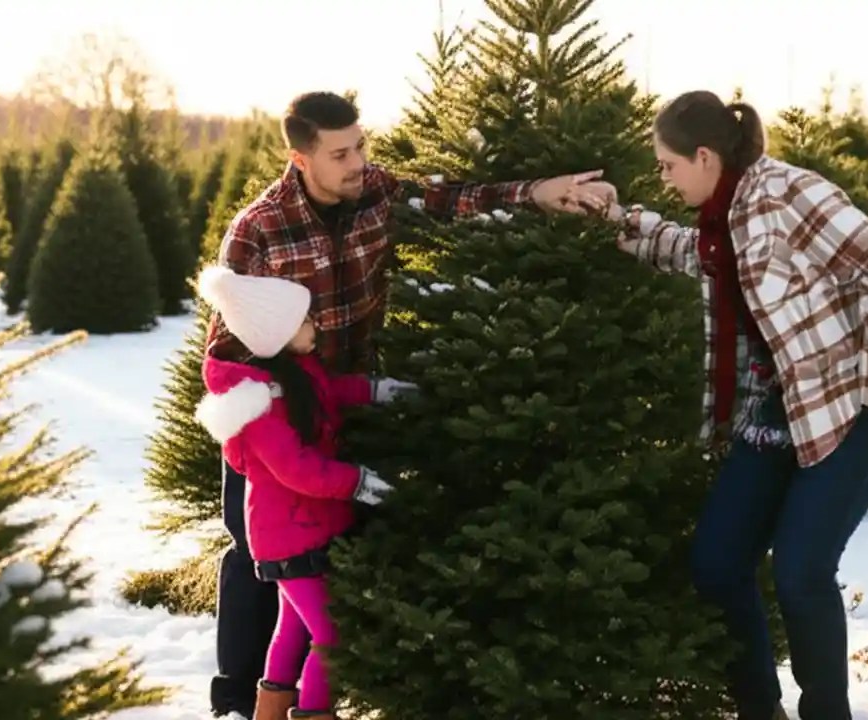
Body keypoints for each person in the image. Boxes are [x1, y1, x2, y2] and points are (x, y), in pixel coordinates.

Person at [204, 90, 616, 719]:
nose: (357, 162)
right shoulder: (260, 230)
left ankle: (338, 686)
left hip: (349, 402)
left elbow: (449, 199)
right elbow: (226, 350)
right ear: (301, 157)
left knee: (327, 559)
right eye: (340, 154)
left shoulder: (373, 192)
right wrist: (266, 429)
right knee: (254, 547)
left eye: (360, 146)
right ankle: (237, 700)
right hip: (278, 422)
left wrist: (537, 192)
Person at [605, 90, 868, 720]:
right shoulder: (723, 215)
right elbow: (690, 253)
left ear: (703, 156)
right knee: (718, 562)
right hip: (781, 410)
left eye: (667, 166)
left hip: (861, 409)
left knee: (802, 572)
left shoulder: (785, 193)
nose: (663, 179)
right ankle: (759, 709)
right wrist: (614, 219)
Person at [195, 265, 413, 720]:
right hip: (287, 534)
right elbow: (296, 470)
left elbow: (328, 390)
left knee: (292, 626)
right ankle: (315, 713)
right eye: (306, 321)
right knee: (331, 636)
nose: (317, 326)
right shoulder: (258, 404)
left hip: (305, 526)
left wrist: (376, 391)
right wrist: (357, 481)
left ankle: (269, 712)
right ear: (276, 334)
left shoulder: (293, 371)